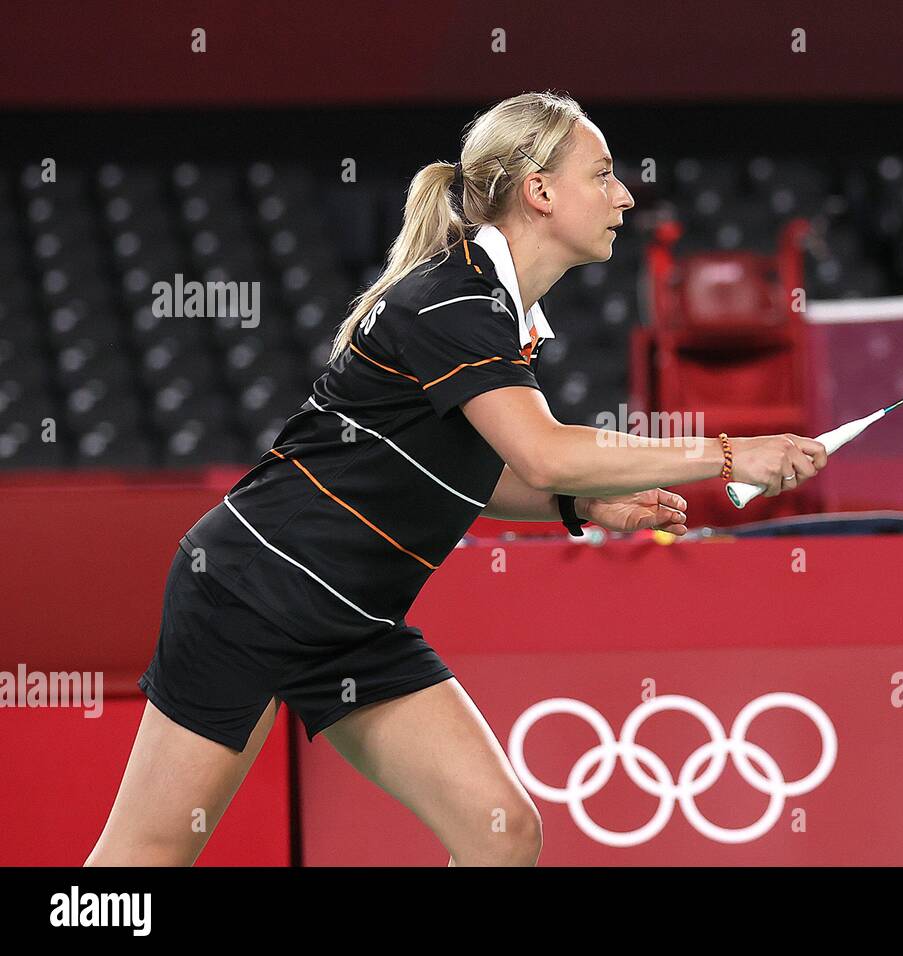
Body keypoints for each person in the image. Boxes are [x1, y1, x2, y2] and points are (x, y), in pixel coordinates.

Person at [85, 91, 826, 867]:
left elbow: (481, 472)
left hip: (354, 620)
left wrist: (578, 503)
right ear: (538, 191)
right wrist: (732, 454)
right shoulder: (452, 300)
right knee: (147, 854)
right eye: (603, 175)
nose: (625, 195)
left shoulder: (498, 312)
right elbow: (543, 450)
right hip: (255, 589)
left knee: (499, 831)